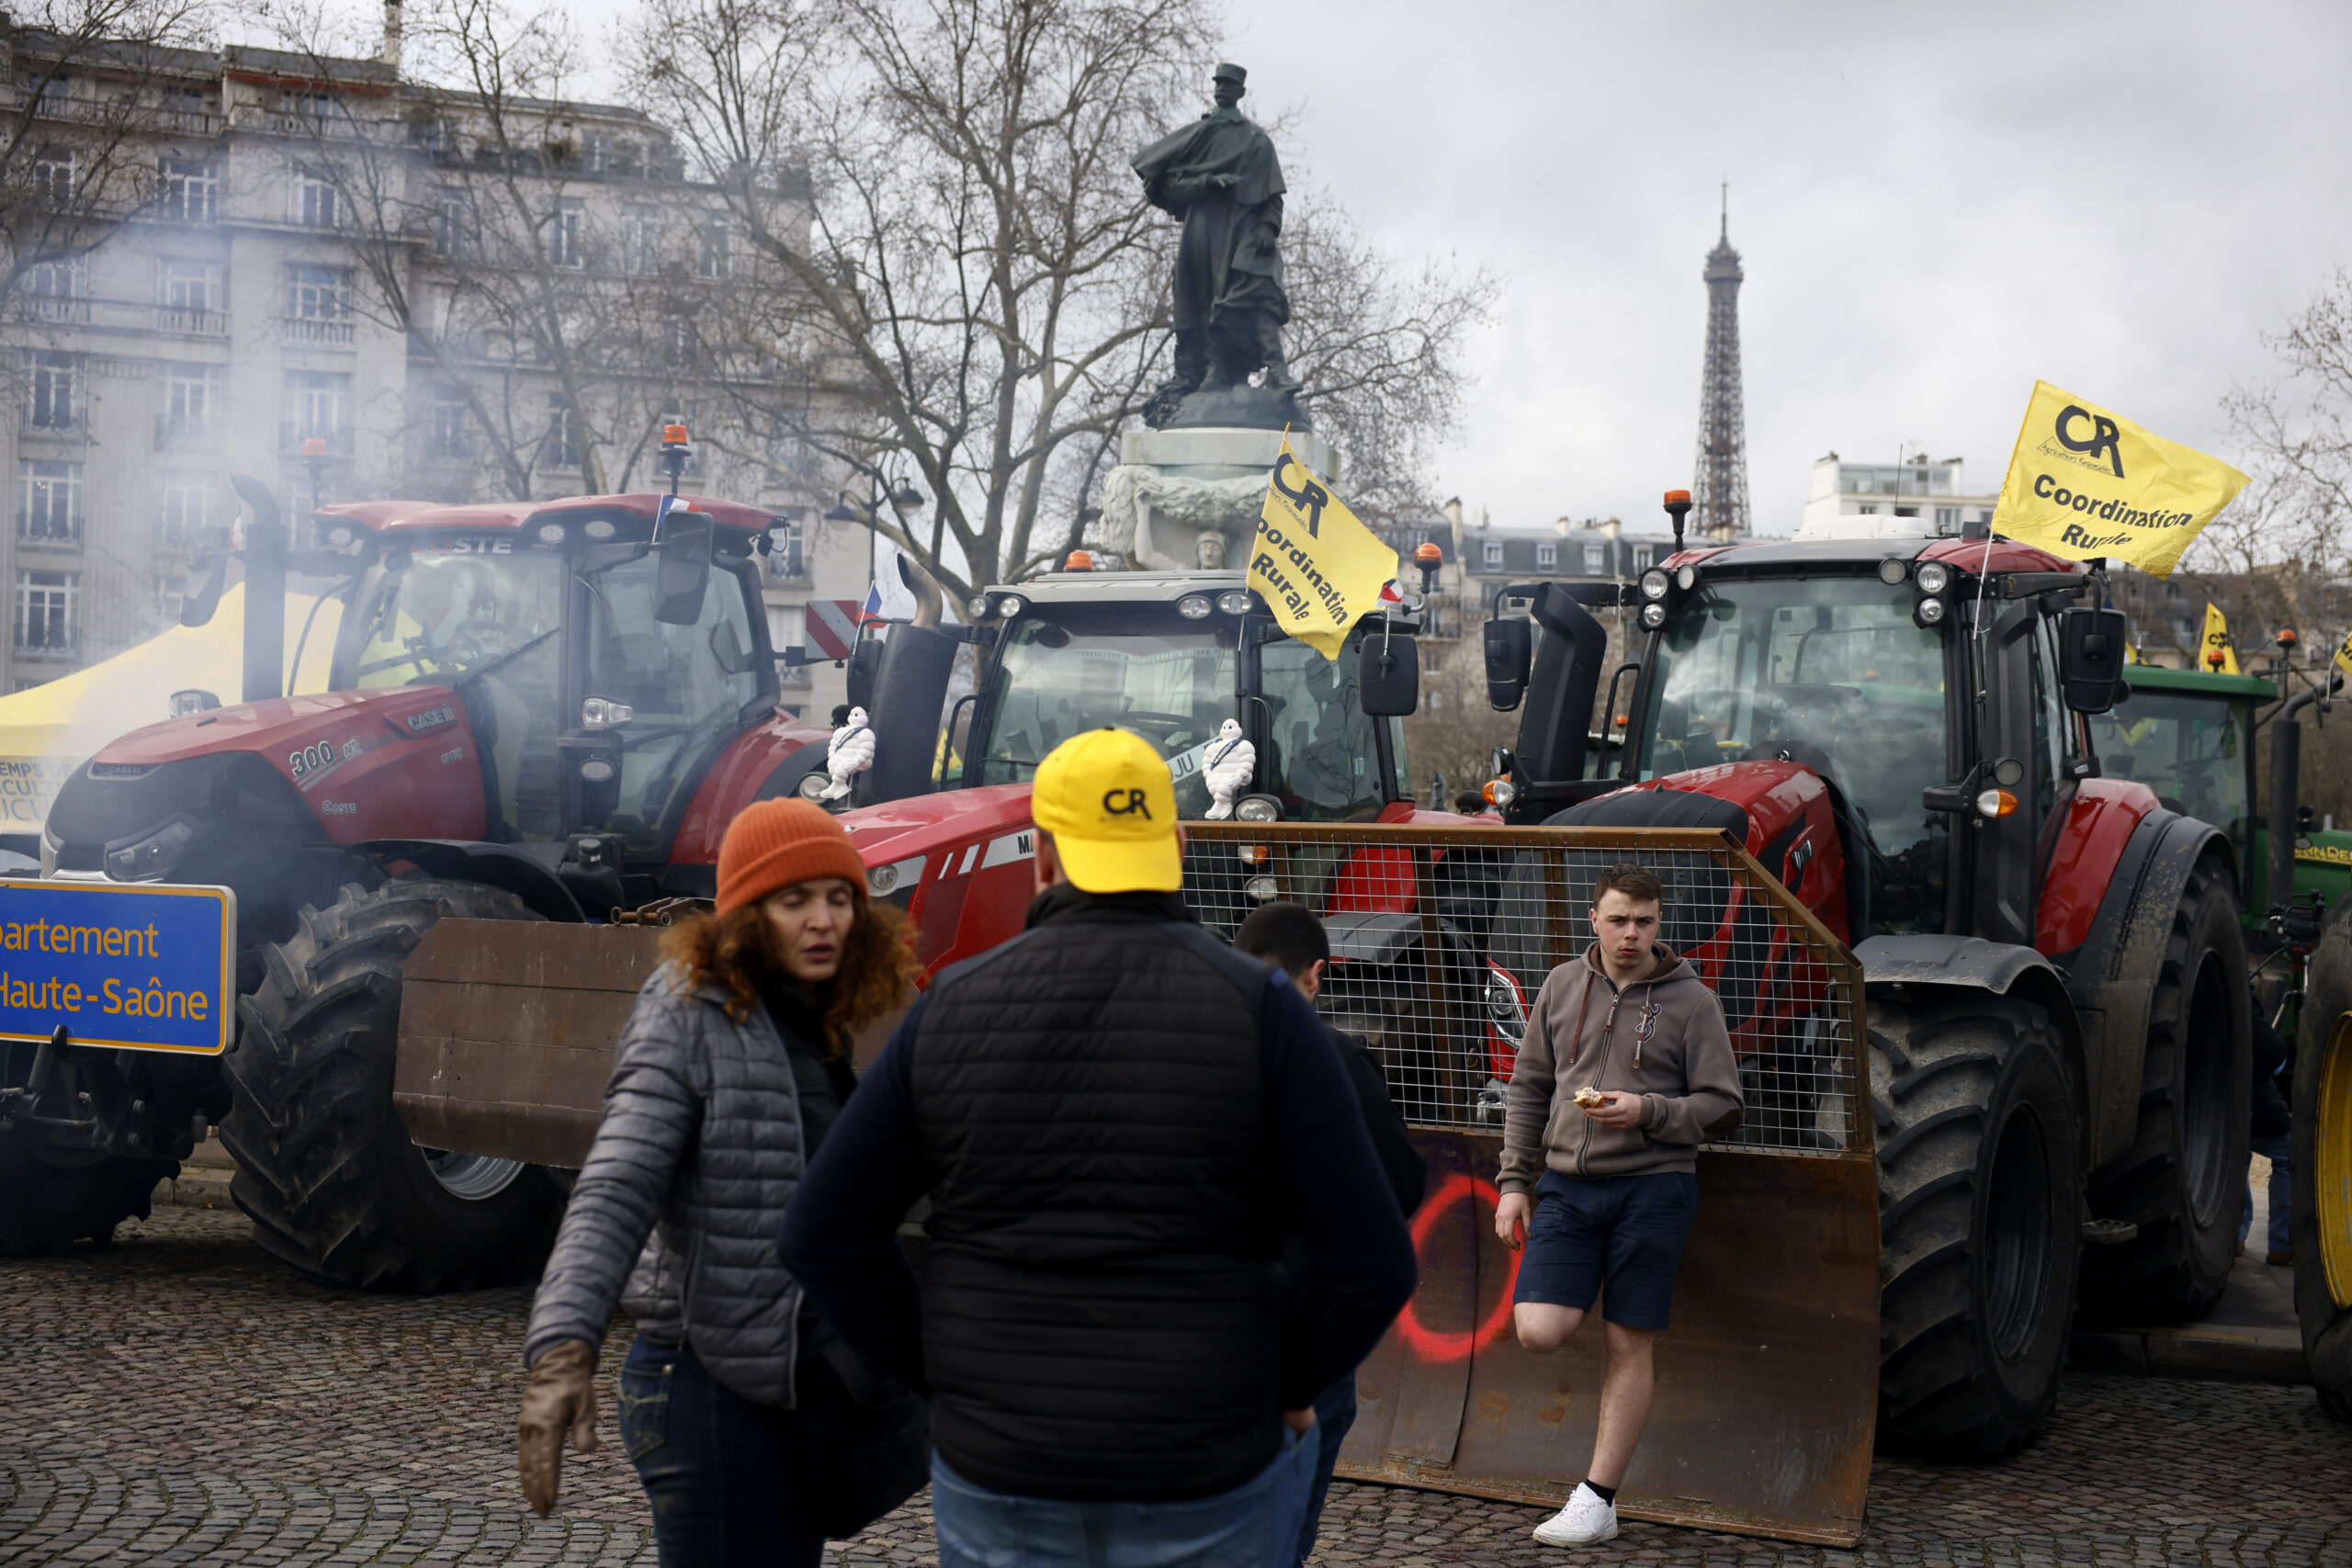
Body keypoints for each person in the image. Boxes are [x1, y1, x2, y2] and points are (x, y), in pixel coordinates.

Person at [778, 727, 1418, 1568]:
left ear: (1044, 856)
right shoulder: (1265, 1011)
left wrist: (943, 1374)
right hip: (1206, 1462)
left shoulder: (954, 1007)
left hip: (1001, 1466)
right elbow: (1375, 1260)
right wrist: (1289, 1381)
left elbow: (821, 1233)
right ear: (1177, 847)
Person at [516, 798, 922, 1565]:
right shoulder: (687, 1012)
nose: (823, 920)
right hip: (706, 1390)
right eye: (794, 900)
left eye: (839, 898)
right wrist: (564, 1346)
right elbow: (616, 1185)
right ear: (744, 916)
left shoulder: (808, 1017)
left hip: (789, 1385)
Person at [1492, 862, 1742, 1548]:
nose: (1631, 933)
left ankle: (1597, 1499)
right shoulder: (1560, 985)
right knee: (1538, 1328)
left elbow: (1724, 1104)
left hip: (1655, 1186)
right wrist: (1513, 1182)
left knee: (1628, 1341)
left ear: (1659, 924)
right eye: (1618, 919)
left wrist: (1649, 1110)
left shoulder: (1693, 1001)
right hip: (1567, 1186)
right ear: (1594, 920)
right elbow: (1528, 1086)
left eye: (1644, 921)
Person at [1231, 901, 1427, 1568]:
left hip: (1195, 1323)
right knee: (1281, 1524)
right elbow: (1399, 1185)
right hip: (1298, 1319)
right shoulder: (1332, 1055)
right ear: (1317, 973)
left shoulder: (1186, 1044)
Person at [2243, 1015, 2293, 1265]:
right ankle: (2282, 1245)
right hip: (2259, 1108)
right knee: (2290, 1156)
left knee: (2235, 1157)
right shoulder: (2245, 1003)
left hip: (2221, 1108)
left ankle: (2235, 1235)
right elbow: (2272, 1050)